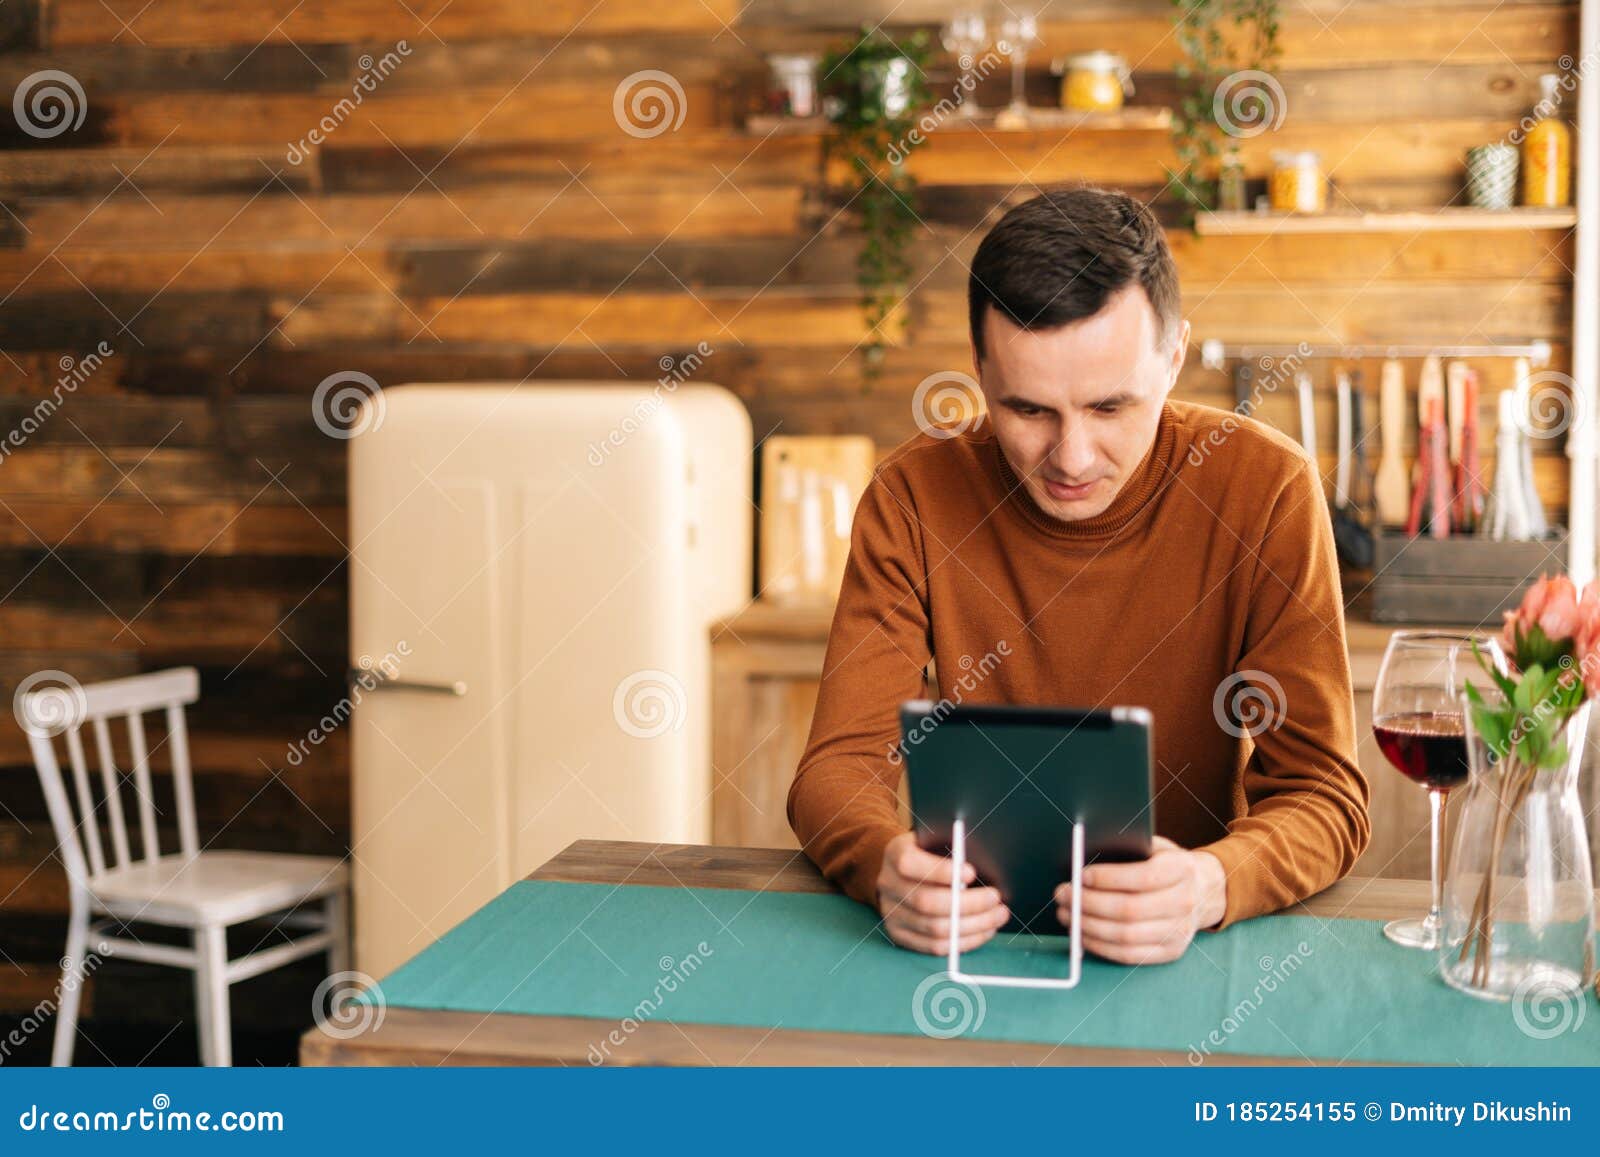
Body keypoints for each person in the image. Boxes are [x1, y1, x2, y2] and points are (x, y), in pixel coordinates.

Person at [787, 186, 1370, 965]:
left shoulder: (1266, 489)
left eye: (1108, 407)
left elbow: (1325, 793)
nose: (1071, 458)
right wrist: (879, 862)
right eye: (1028, 410)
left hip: (1188, 953)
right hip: (972, 947)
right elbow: (835, 767)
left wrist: (1208, 883)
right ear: (979, 369)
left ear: (1174, 358)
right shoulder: (912, 498)